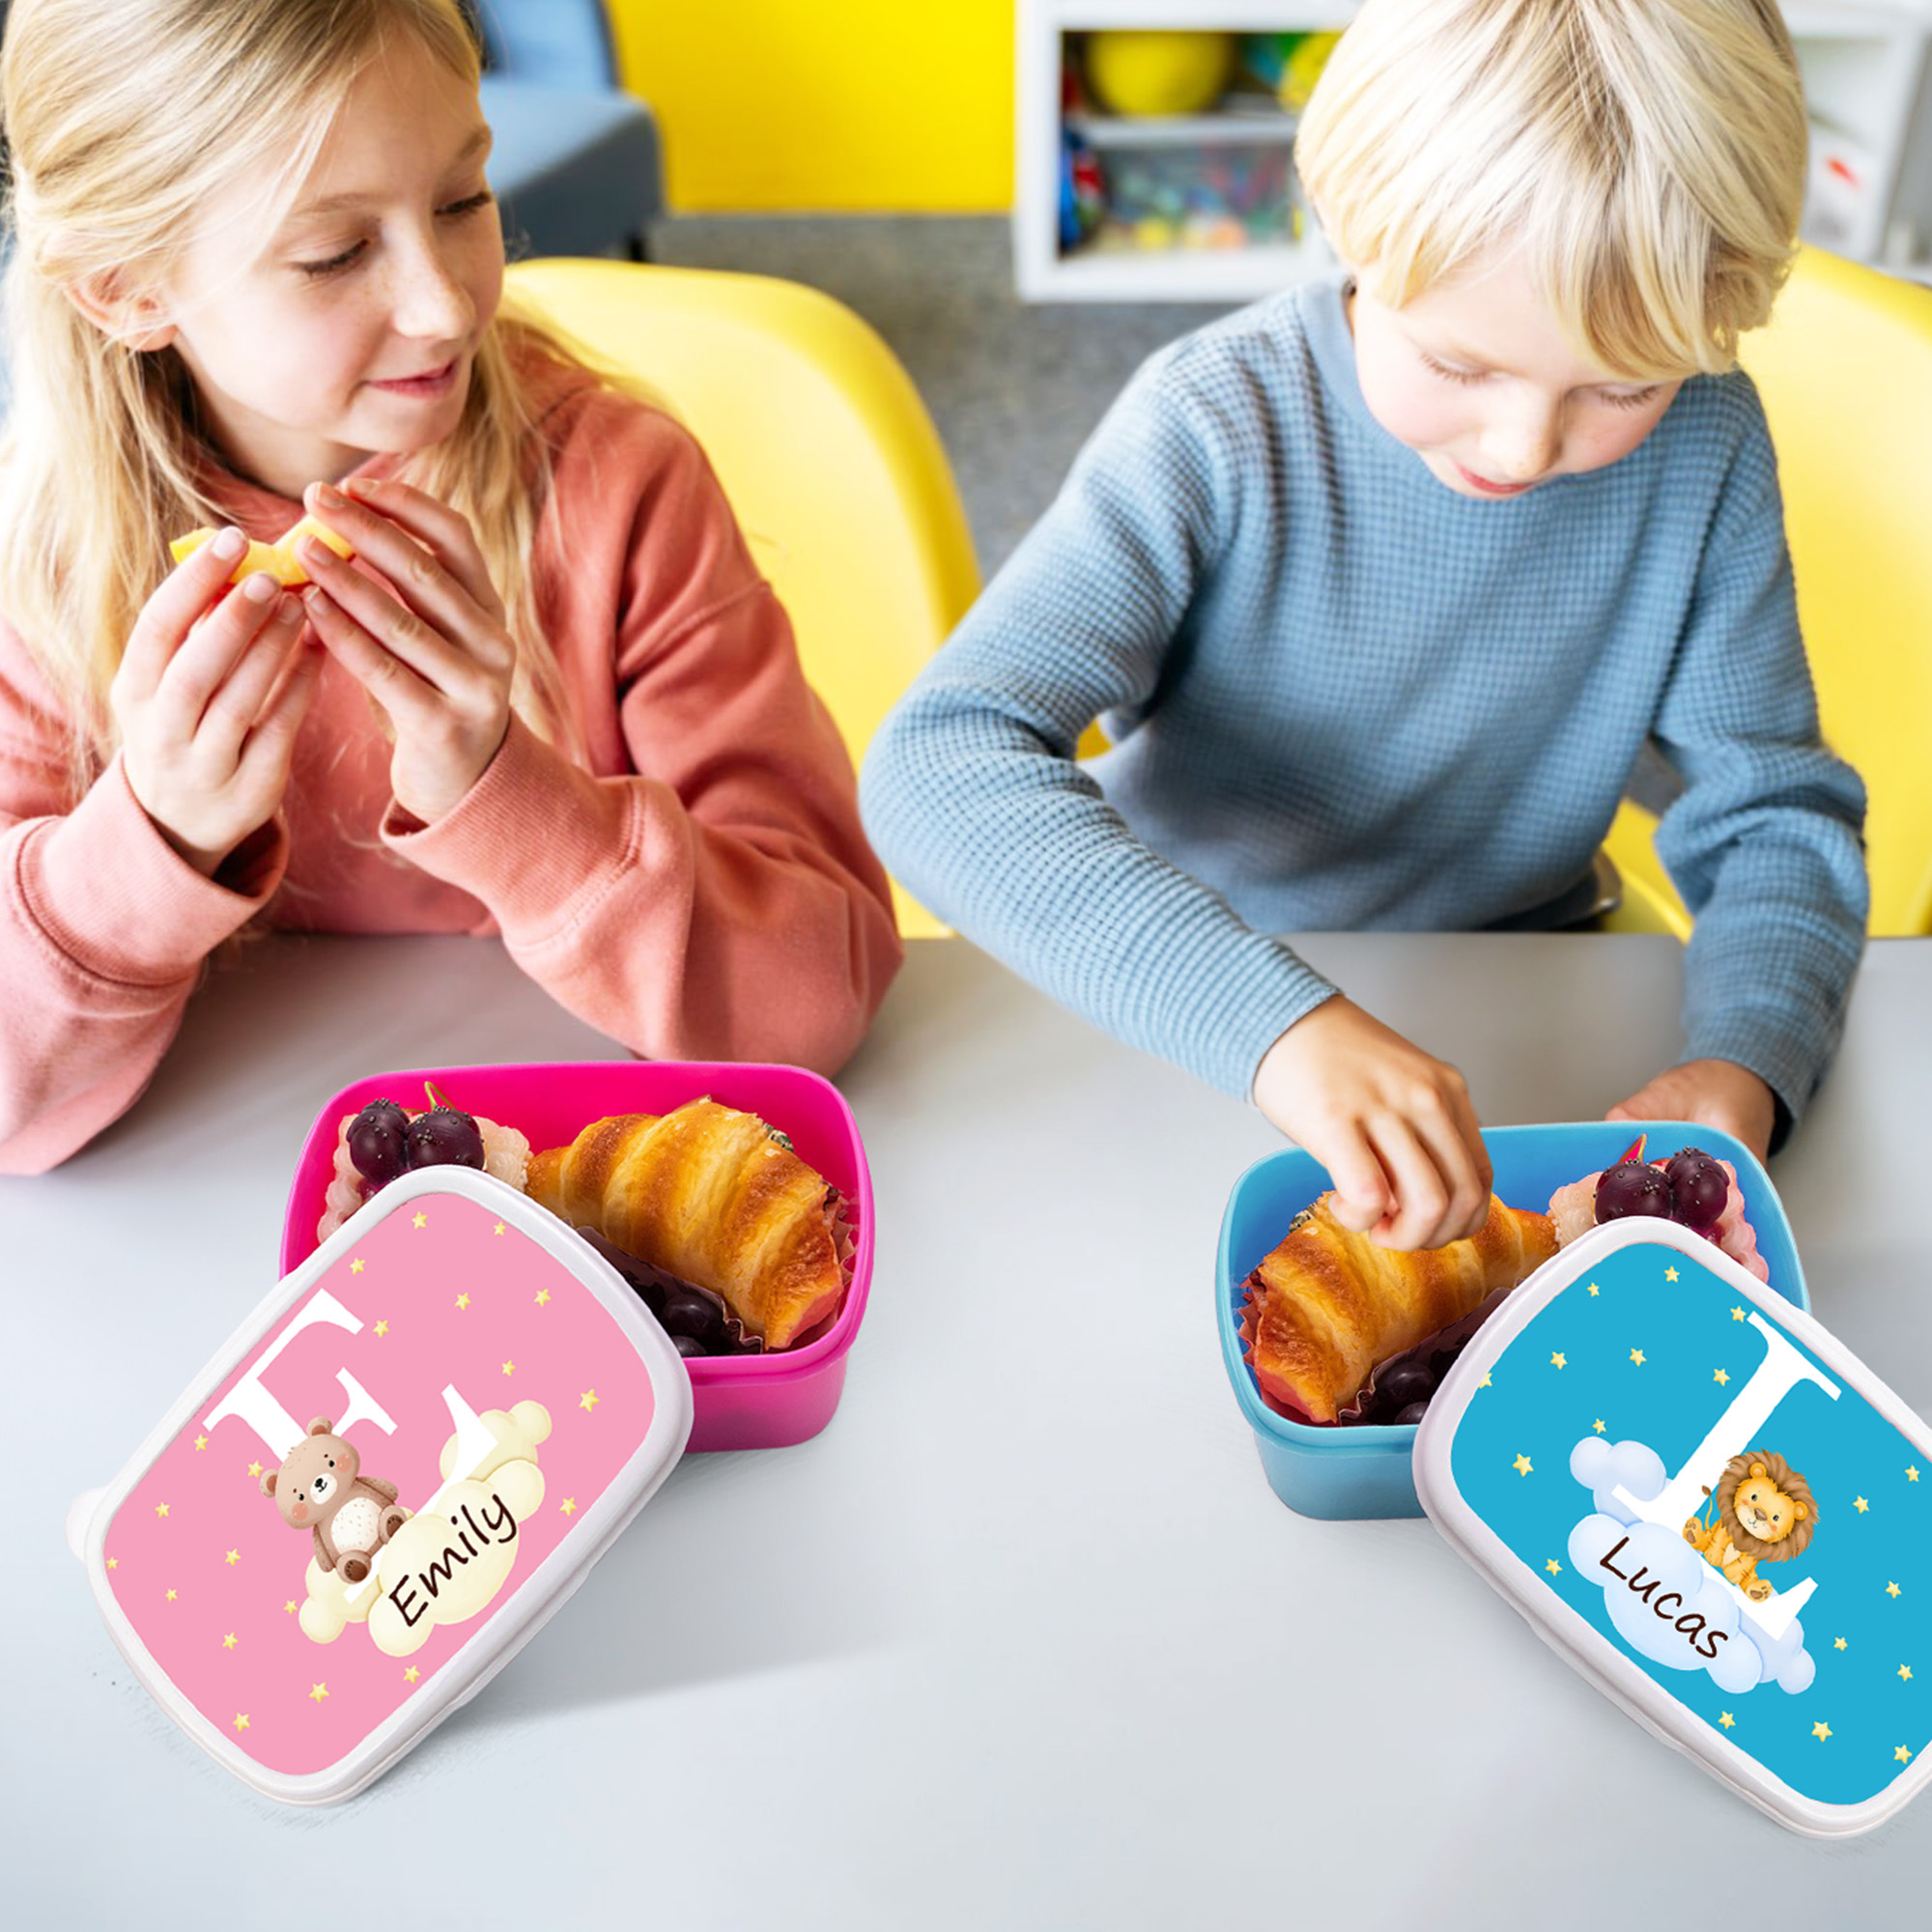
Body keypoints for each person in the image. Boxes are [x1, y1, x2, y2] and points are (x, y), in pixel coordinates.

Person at [861, 0, 1867, 1250]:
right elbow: (937, 764)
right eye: (1458, 364)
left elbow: (1774, 816)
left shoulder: (1710, 443)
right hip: (1189, 989)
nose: (1524, 446)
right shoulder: (1214, 421)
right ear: (1342, 225)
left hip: (1521, 983)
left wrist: (1749, 1068)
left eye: (1621, 386)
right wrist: (1281, 1028)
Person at [0, 0, 901, 1176]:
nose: (444, 303)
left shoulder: (617, 488)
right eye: (334, 252)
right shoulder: (46, 560)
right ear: (127, 289)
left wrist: (511, 797)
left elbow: (818, 993)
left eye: (464, 199)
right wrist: (151, 841)